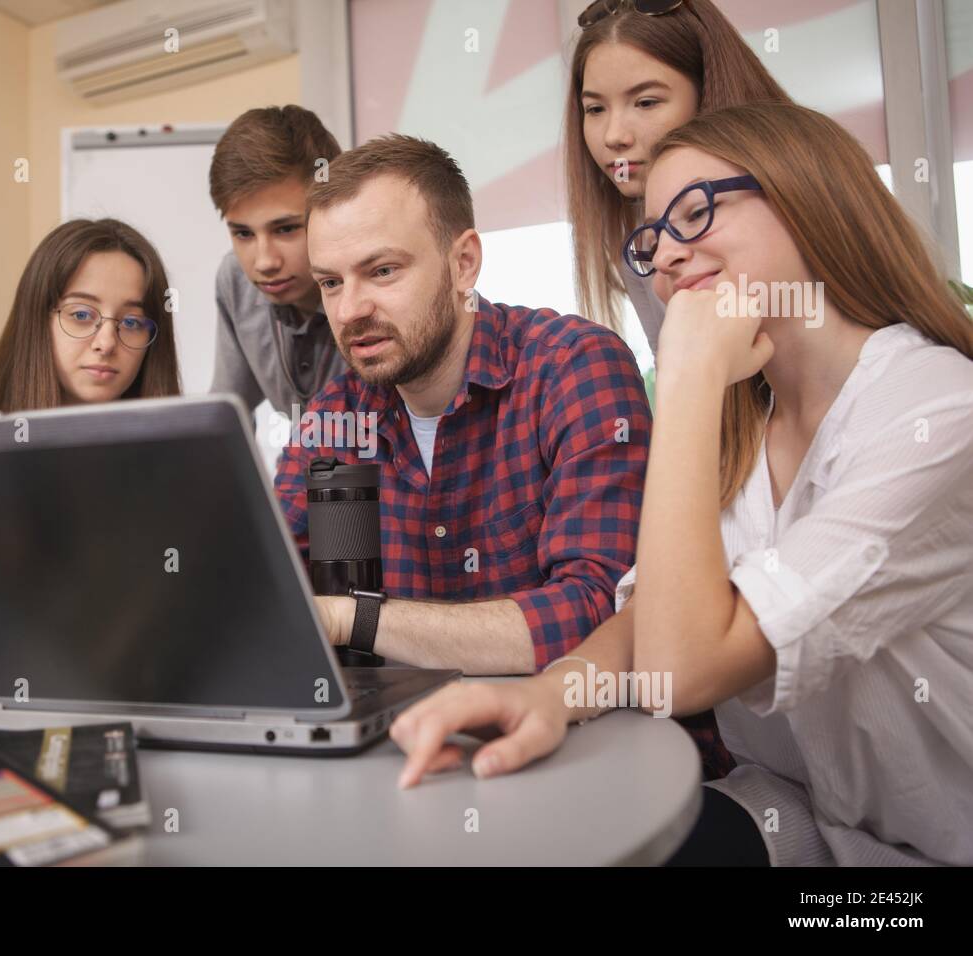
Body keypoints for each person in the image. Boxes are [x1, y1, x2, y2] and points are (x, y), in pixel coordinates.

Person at [391, 103, 973, 867]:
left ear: (809, 197)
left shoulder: (936, 404)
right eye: (652, 234)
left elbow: (682, 671)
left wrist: (690, 371)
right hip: (799, 818)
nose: (663, 255)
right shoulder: (749, 425)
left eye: (694, 213)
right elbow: (646, 623)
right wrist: (551, 694)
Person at [274, 133, 650, 679]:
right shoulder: (339, 421)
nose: (350, 309)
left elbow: (602, 613)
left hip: (588, 743)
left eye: (382, 271)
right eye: (330, 282)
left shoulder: (571, 369)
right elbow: (287, 592)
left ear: (464, 264)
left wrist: (353, 620)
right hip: (410, 746)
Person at [566, 0, 789, 354]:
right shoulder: (641, 249)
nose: (614, 135)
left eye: (646, 102)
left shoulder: (780, 214)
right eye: (595, 109)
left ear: (708, 91)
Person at [0, 218, 180, 415]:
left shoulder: (180, 450)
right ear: (38, 321)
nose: (106, 344)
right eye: (81, 314)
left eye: (131, 322)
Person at [208, 105, 348, 416]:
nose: (264, 262)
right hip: (308, 461)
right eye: (243, 234)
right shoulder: (235, 279)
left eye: (286, 229)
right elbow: (229, 412)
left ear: (334, 209)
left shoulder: (377, 287)